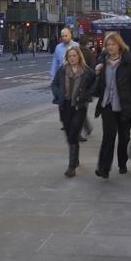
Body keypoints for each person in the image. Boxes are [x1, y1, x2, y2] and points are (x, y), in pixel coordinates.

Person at [90, 31, 131, 178]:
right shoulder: (102, 61)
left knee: (124, 136)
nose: (110, 47)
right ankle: (103, 167)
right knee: (108, 135)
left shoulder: (128, 61)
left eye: (113, 44)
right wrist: (97, 72)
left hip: (125, 104)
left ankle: (122, 163)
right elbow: (96, 84)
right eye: (108, 45)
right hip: (107, 103)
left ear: (119, 45)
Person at [51, 46, 95, 177]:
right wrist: (58, 93)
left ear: (79, 56)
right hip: (65, 107)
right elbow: (55, 84)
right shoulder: (62, 70)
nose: (72, 58)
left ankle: (71, 166)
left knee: (73, 135)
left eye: (74, 56)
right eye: (69, 56)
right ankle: (75, 158)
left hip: (79, 107)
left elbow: (94, 84)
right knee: (69, 134)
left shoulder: (86, 71)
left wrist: (87, 95)